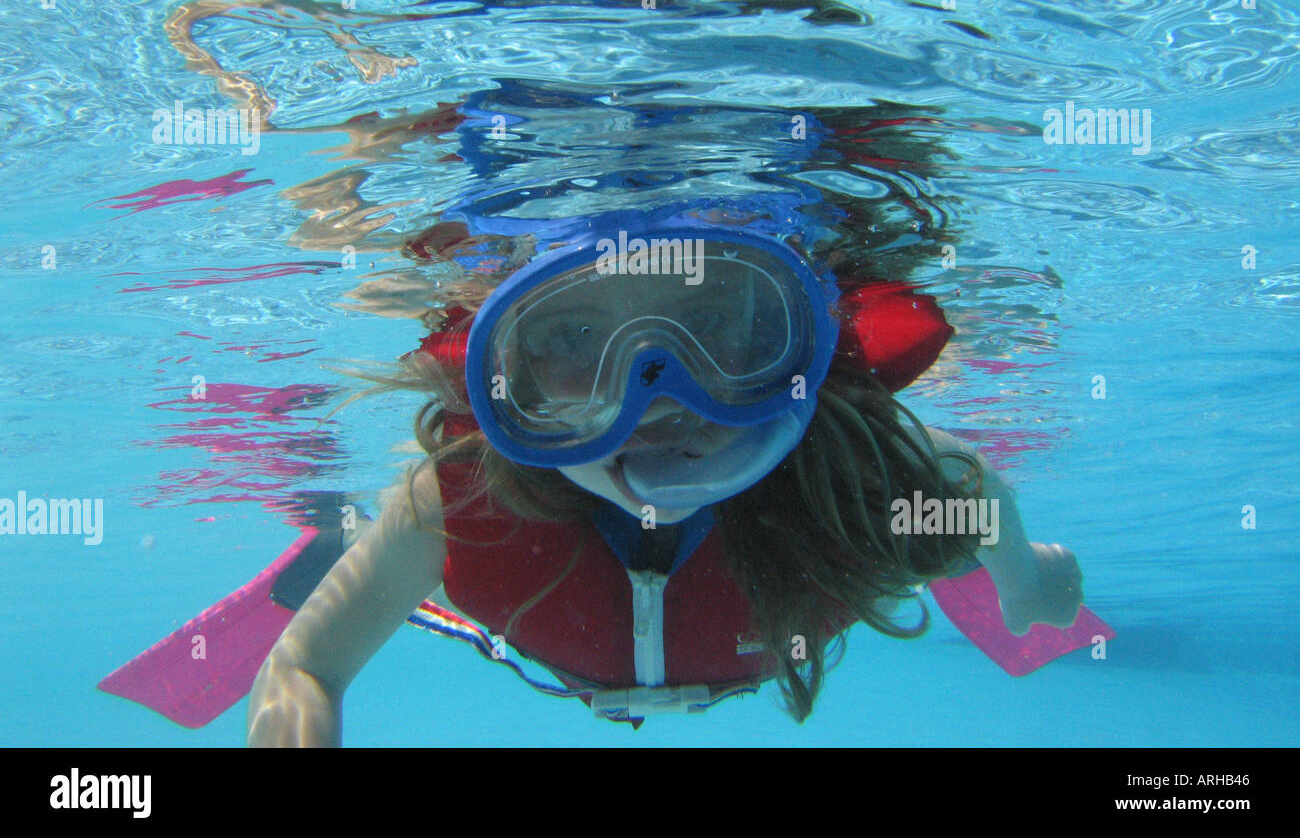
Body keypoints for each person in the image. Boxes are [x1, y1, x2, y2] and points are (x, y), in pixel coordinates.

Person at [246, 209, 1084, 746]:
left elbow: (974, 496)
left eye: (714, 321)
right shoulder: (457, 499)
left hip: (574, 638)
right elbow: (303, 669)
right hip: (535, 620)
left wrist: (1026, 581)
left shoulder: (859, 485)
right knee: (407, 544)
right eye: (574, 337)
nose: (653, 393)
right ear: (515, 375)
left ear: (786, 337)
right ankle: (337, 536)